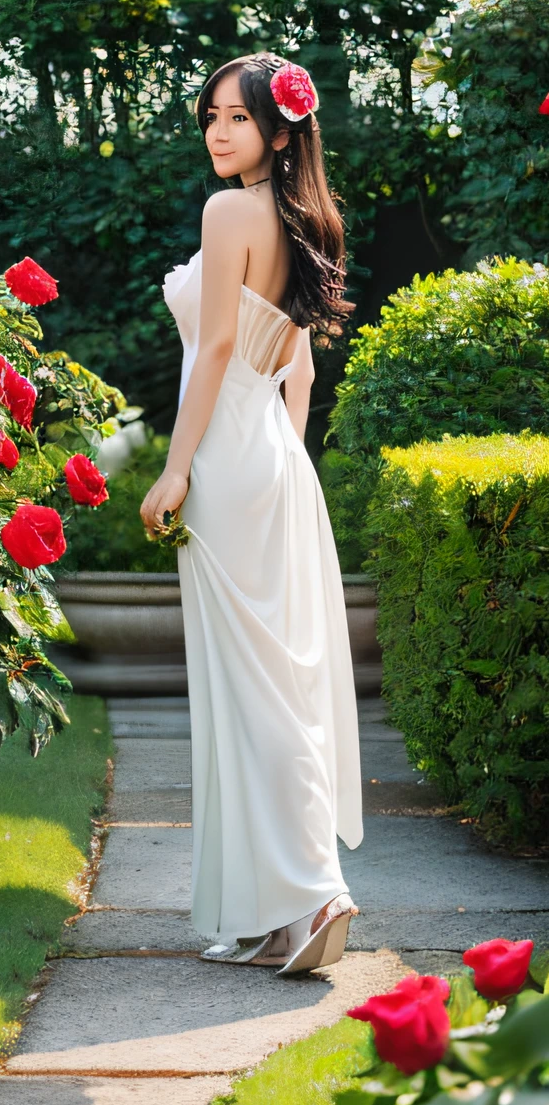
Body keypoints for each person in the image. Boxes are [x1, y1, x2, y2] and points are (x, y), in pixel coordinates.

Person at [139, 52, 363, 975]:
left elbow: (220, 348)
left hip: (232, 456)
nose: (217, 133)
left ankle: (313, 890)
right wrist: (283, 468)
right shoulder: (304, 220)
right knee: (275, 675)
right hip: (272, 458)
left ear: (278, 131)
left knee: (253, 683)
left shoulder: (229, 211)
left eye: (235, 118)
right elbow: (296, 373)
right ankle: (282, 910)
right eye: (210, 117)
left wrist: (176, 467)